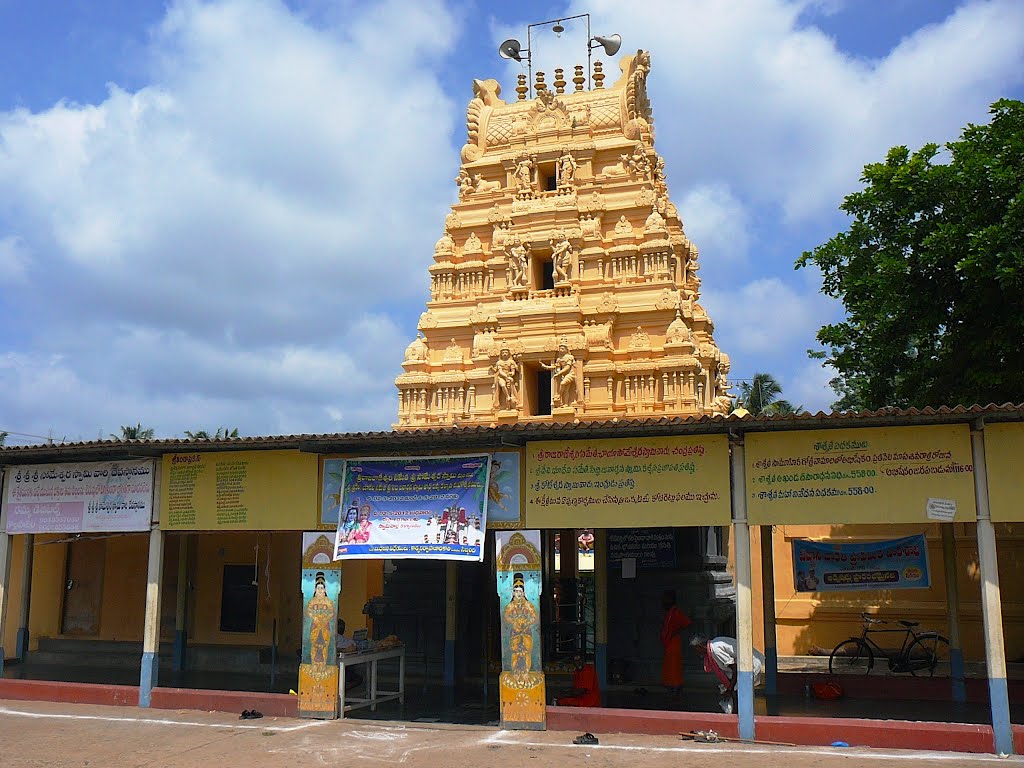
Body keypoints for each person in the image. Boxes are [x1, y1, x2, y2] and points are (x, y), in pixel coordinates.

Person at [690, 634, 765, 713]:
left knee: (737, 693)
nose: (697, 653)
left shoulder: (716, 650)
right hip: (743, 664)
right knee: (735, 691)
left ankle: (738, 718)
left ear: (700, 647)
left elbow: (734, 668)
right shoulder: (714, 644)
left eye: (696, 650)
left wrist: (730, 689)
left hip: (749, 663)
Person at [659, 590, 691, 698]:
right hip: (668, 643)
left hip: (674, 642)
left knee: (674, 666)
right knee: (669, 666)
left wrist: (677, 631)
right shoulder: (669, 613)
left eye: (666, 599)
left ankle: (676, 688)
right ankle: (671, 687)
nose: (663, 601)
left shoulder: (676, 612)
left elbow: (687, 623)